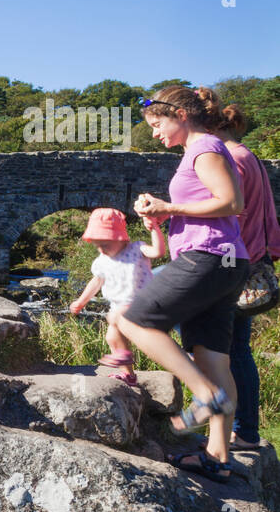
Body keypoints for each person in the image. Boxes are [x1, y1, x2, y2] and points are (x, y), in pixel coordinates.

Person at [117, 85, 248, 483]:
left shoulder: (203, 147)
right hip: (228, 261)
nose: (156, 133)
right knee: (214, 360)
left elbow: (231, 202)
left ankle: (205, 396)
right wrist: (160, 217)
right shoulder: (203, 148)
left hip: (208, 258)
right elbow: (215, 206)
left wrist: (170, 206)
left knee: (133, 319)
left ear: (180, 115)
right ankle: (217, 458)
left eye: (158, 124)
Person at [216, 94, 280, 449]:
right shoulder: (246, 154)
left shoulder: (233, 158)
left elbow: (232, 212)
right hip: (249, 258)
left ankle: (239, 427)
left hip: (236, 261)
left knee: (232, 349)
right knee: (236, 349)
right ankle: (244, 431)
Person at [68, 207, 163, 385]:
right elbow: (96, 282)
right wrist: (81, 302)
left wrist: (154, 229)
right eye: (97, 247)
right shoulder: (102, 261)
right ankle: (129, 375)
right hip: (119, 307)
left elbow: (158, 252)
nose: (102, 250)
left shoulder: (137, 249)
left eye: (105, 245)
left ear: (121, 238)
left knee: (114, 319)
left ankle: (128, 357)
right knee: (112, 338)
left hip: (143, 301)